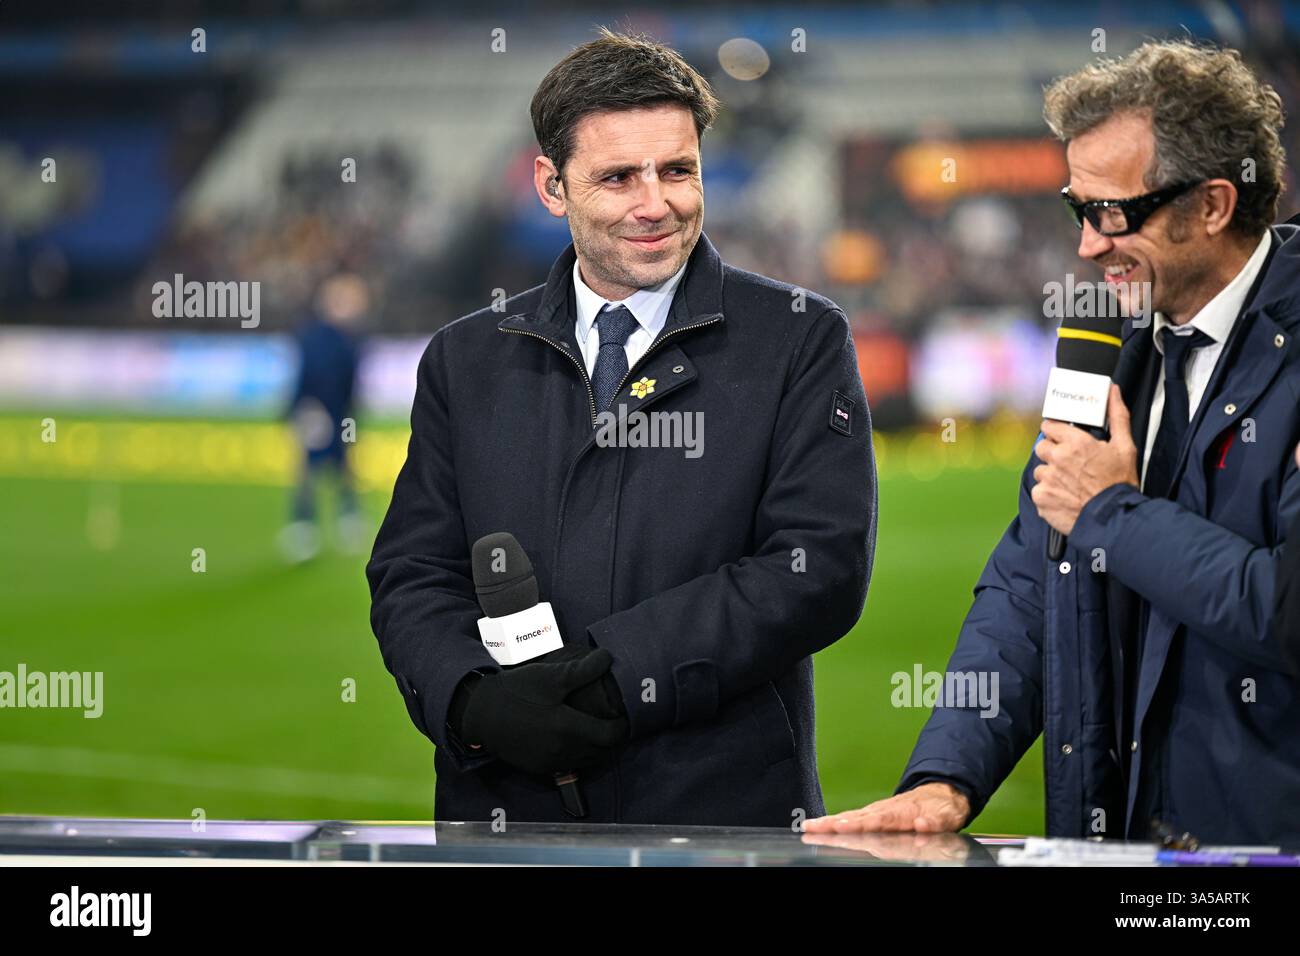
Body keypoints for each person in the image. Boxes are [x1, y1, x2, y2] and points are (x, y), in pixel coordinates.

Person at [366, 28, 875, 826]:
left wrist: (614, 677)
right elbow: (412, 571)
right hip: (504, 817)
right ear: (550, 185)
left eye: (678, 170)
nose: (656, 204)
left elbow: (818, 570)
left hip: (719, 819)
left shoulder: (798, 337)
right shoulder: (464, 359)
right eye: (617, 177)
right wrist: (471, 701)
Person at [806, 39, 1300, 843]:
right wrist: (947, 776)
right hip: (1122, 850)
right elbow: (1035, 583)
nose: (1088, 245)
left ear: (1213, 205)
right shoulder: (1108, 345)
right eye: (1079, 210)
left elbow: (1287, 613)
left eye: (1114, 213)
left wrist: (1111, 511)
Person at [278, 271, 368, 561]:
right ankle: (303, 525)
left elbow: (352, 385)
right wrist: (299, 409)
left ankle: (348, 519)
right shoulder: (315, 337)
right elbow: (305, 376)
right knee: (308, 469)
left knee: (344, 467)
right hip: (315, 411)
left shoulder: (351, 340)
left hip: (340, 413)